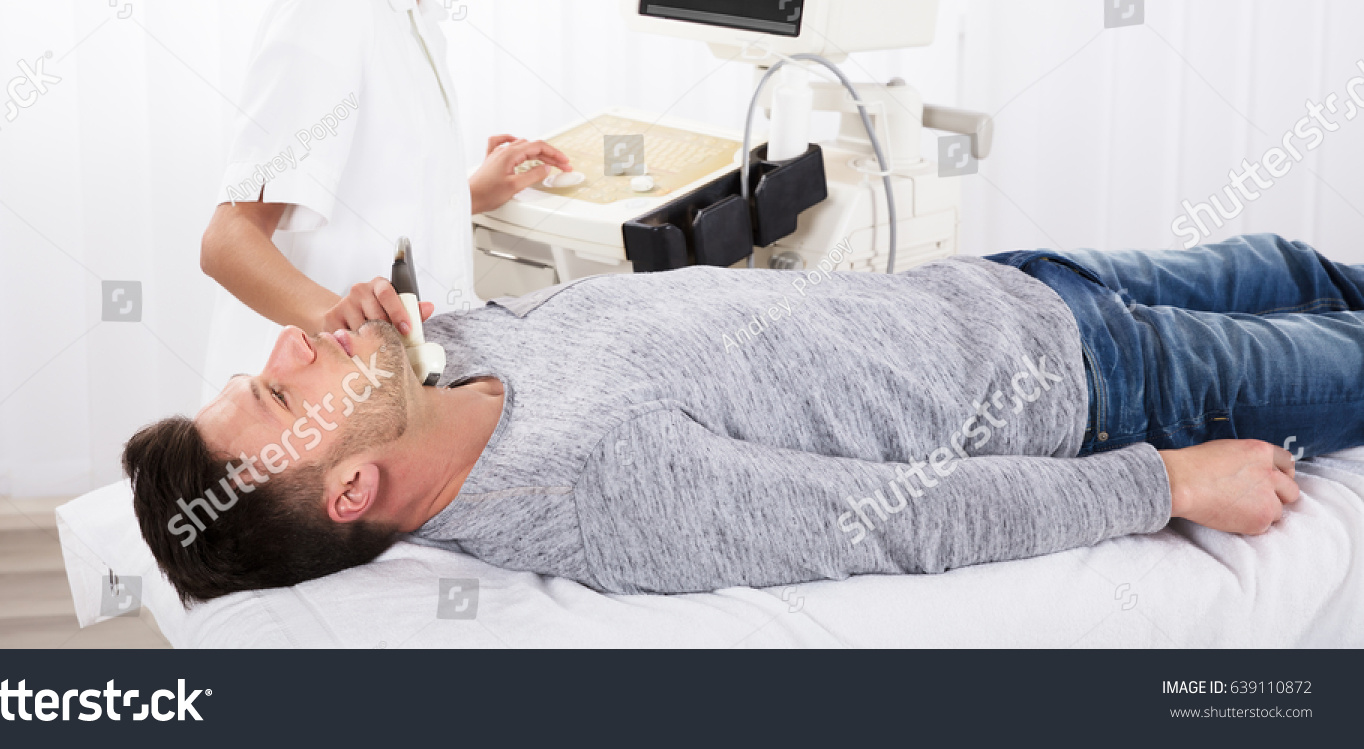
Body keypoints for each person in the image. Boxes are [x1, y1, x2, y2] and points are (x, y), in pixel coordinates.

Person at [125, 233, 1364, 604]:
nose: (291, 341)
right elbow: (903, 524)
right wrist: (1170, 484)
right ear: (348, 496)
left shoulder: (452, 361)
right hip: (1107, 385)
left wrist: (383, 336)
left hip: (1013, 283)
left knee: (1298, 256)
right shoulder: (601, 494)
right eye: (282, 393)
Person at [199, 0, 569, 390]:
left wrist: (468, 191)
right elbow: (228, 241)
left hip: (390, 387)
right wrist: (338, 317)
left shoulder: (409, 1)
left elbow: (372, 188)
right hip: (312, 402)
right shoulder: (333, 1)